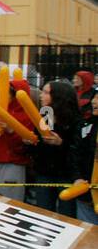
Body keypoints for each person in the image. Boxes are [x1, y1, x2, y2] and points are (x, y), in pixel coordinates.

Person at [25, 79, 85, 217]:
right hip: (45, 172)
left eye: (46, 93)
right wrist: (31, 142)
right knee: (43, 212)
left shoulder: (75, 120)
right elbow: (39, 146)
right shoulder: (46, 115)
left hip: (66, 175)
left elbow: (78, 150)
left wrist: (61, 143)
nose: (41, 95)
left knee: (66, 214)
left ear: (58, 96)